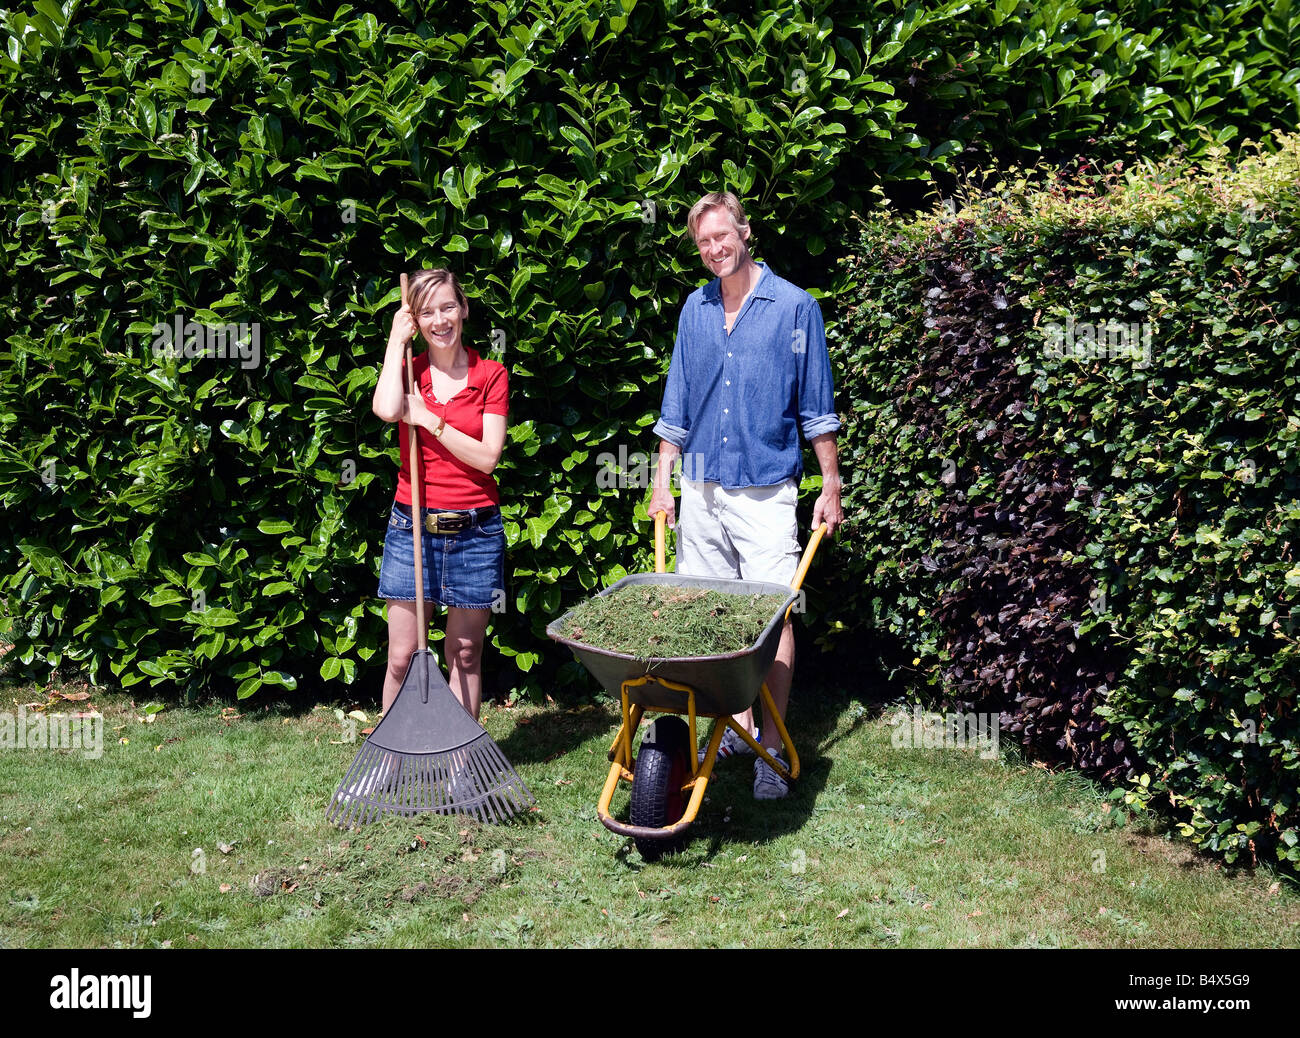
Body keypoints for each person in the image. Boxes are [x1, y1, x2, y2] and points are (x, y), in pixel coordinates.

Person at [647, 192, 843, 800]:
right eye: (703, 243)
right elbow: (676, 402)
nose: (714, 250)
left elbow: (817, 408)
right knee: (706, 615)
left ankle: (773, 744)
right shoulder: (694, 309)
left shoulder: (794, 309)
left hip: (765, 489)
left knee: (772, 616)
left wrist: (830, 483)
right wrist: (662, 478)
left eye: (721, 237)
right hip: (702, 488)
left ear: (745, 231)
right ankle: (734, 729)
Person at [371, 268, 508, 722]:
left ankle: (460, 764)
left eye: (448, 306)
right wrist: (395, 339)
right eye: (426, 311)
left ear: (464, 309)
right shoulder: (408, 372)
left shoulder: (491, 375)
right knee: (401, 655)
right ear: (415, 320)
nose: (440, 319)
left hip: (475, 529)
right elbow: (387, 409)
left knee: (465, 654)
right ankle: (390, 758)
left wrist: (431, 420)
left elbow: (487, 457)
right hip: (412, 525)